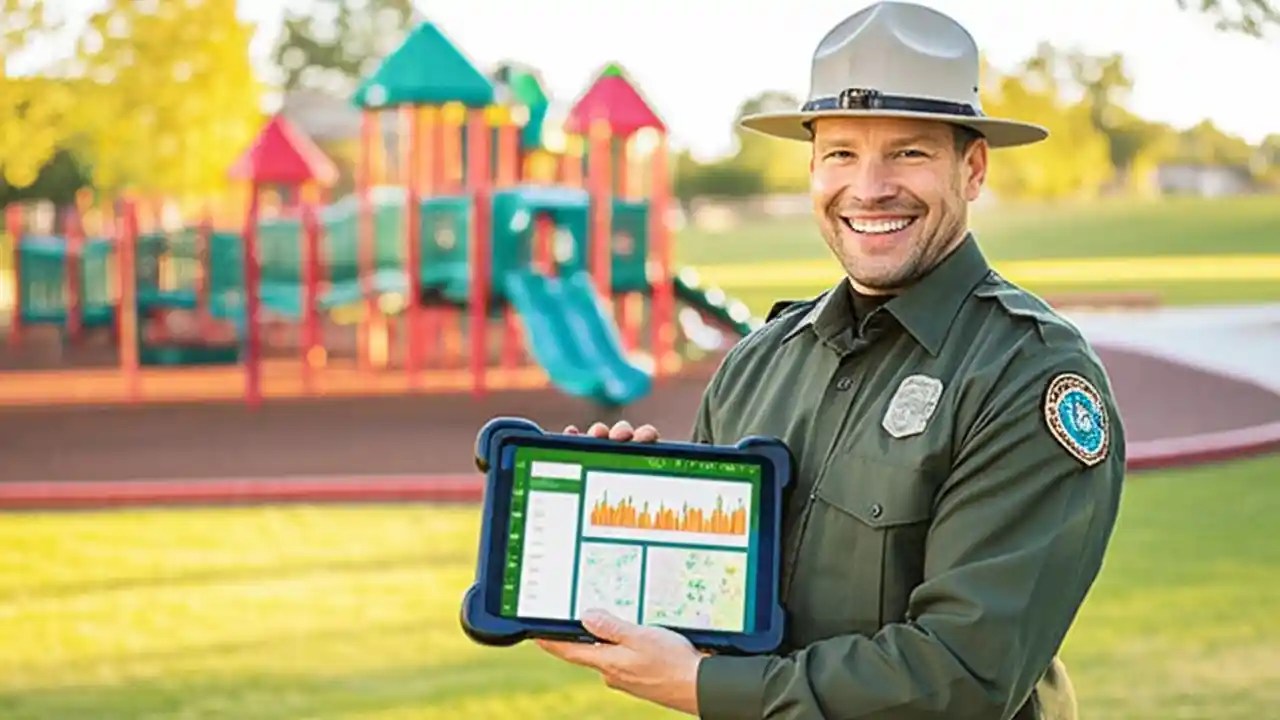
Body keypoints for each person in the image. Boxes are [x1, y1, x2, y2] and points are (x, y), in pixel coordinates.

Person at [535, 2, 1126, 718]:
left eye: (908, 152)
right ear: (813, 168)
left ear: (972, 169)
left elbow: (962, 677)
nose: (869, 187)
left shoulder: (1027, 376)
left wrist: (704, 689)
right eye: (841, 153)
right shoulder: (757, 365)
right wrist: (621, 526)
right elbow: (714, 617)